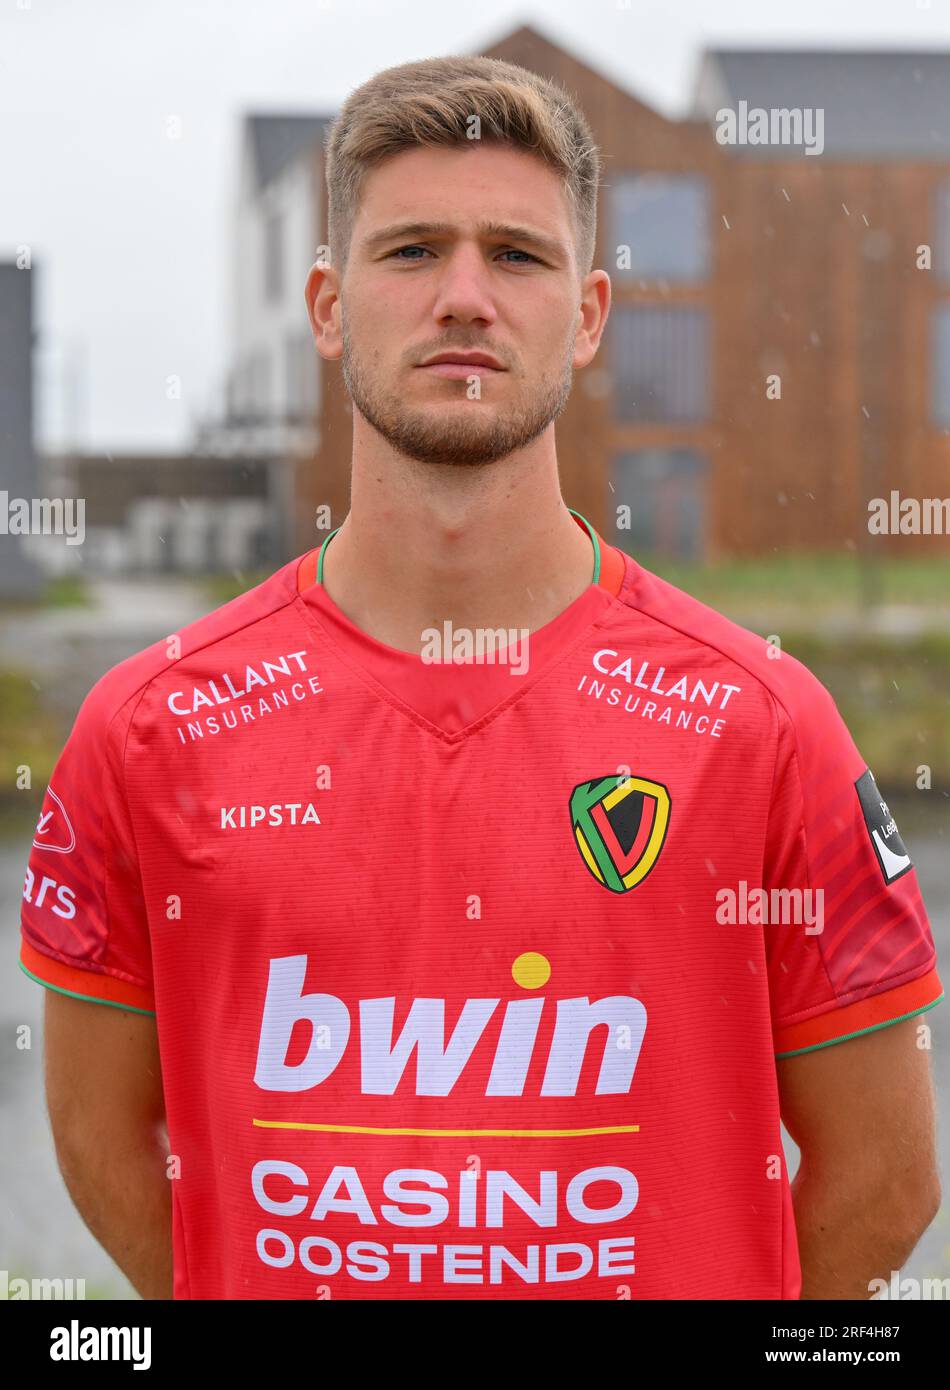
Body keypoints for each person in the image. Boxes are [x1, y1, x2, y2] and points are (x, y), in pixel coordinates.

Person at [19, 54, 942, 1301]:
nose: (464, 297)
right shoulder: (149, 730)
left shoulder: (762, 725)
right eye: (409, 253)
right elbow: (99, 1143)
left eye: (516, 254)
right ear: (329, 306)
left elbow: (884, 1178)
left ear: (590, 312)